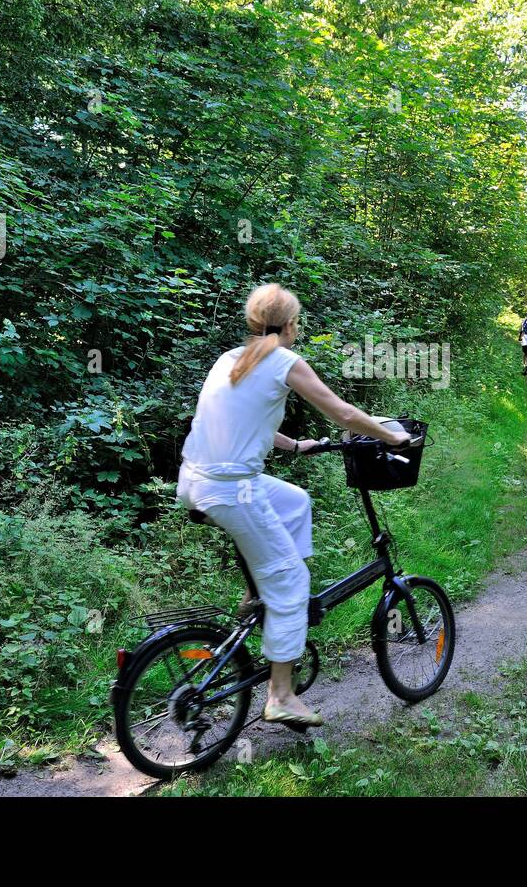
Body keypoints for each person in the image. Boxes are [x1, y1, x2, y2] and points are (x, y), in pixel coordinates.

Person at [177, 284, 407, 728]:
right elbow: (340, 412)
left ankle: (262, 594)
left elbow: (238, 419)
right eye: (297, 321)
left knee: (295, 500)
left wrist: (293, 444)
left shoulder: (230, 359)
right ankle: (280, 694)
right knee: (291, 580)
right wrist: (391, 436)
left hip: (198, 477)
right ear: (289, 326)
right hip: (230, 487)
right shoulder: (284, 361)